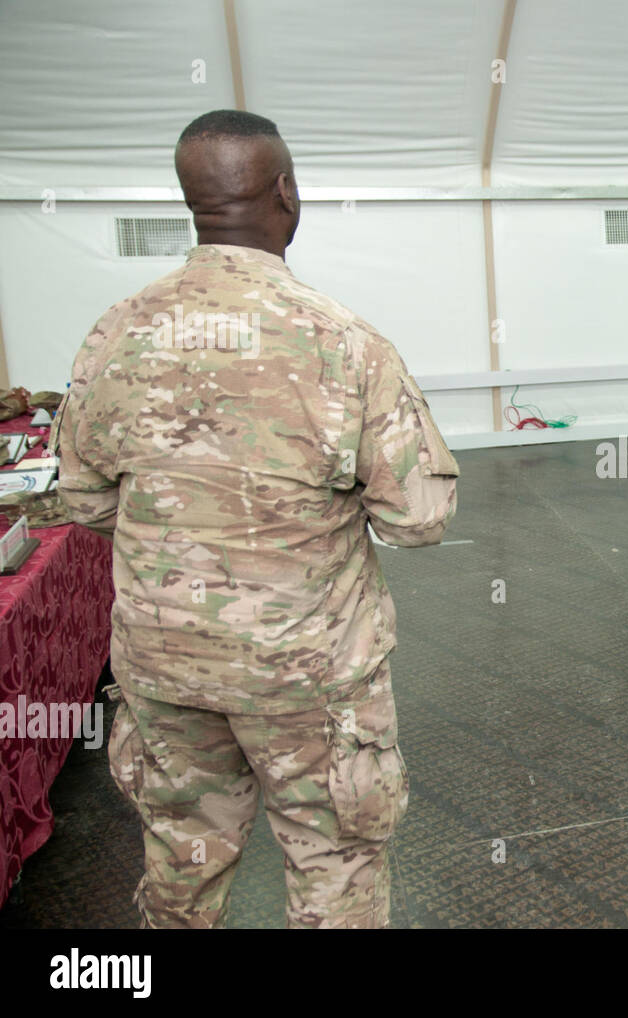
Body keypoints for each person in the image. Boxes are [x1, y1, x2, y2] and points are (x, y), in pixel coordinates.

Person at [53, 109, 460, 928]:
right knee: (333, 860)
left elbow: (84, 497)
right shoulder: (345, 345)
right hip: (306, 674)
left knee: (181, 861)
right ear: (287, 193)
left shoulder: (116, 334)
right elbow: (420, 516)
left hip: (166, 669)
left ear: (191, 202)